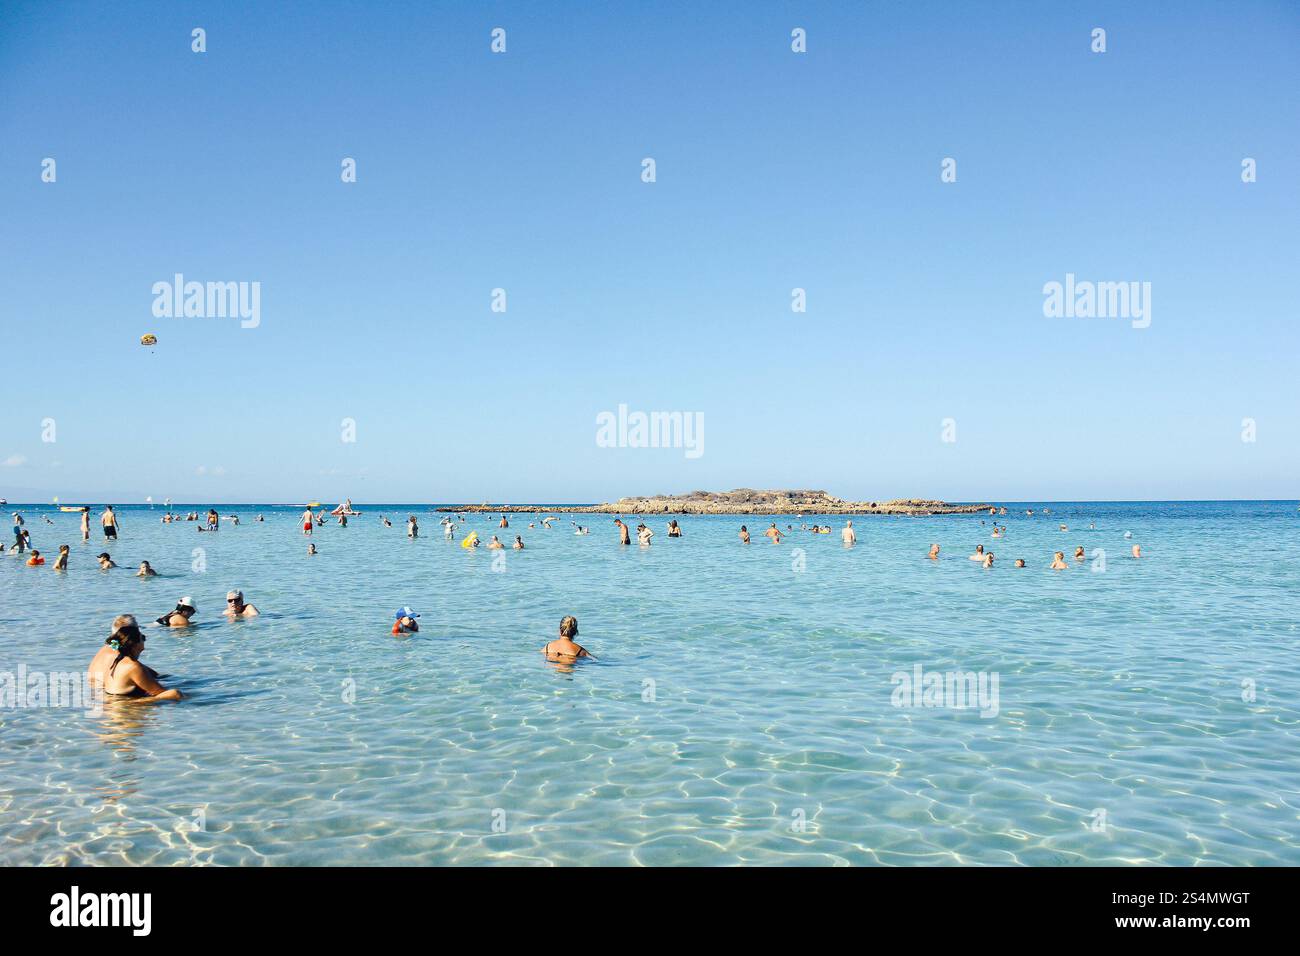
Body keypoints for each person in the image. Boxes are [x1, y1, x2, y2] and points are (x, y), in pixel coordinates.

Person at [87, 615, 181, 701]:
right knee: (175, 693)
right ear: (131, 639)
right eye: (142, 636)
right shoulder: (129, 664)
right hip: (120, 705)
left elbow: (151, 674)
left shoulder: (113, 653)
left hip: (105, 698)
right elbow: (161, 691)